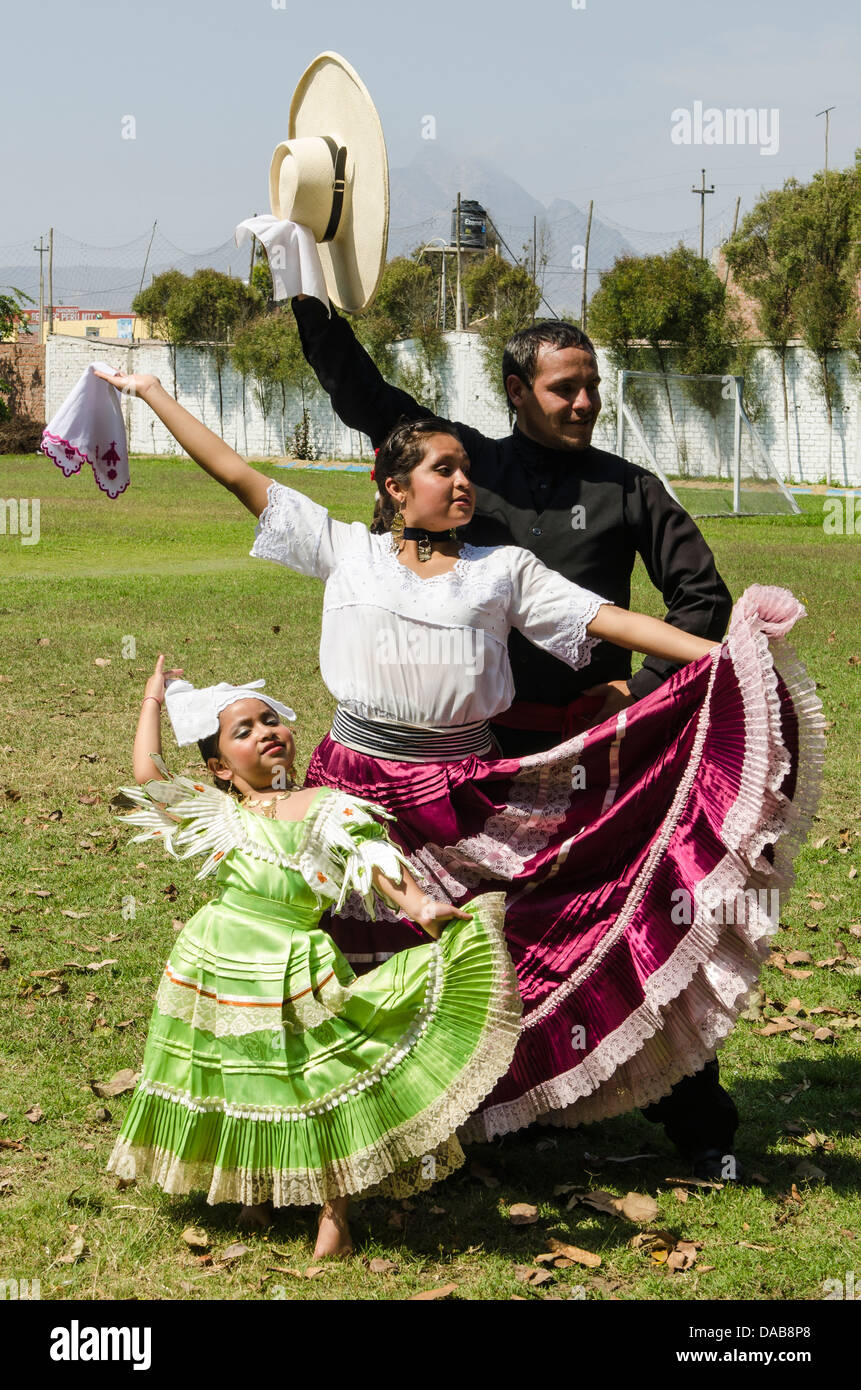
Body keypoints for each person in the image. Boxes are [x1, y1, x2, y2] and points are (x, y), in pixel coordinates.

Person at [94, 369, 823, 1172]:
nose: (463, 482)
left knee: (485, 946)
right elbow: (236, 471)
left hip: (463, 792)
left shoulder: (501, 570)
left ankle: (494, 1110)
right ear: (395, 489)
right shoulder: (345, 551)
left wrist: (725, 658)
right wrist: (152, 390)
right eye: (443, 469)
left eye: (466, 470)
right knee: (349, 956)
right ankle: (348, 1128)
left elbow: (604, 618)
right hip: (348, 786)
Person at [289, 295, 742, 1176]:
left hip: (592, 762)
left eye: (591, 389)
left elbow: (702, 604)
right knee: (472, 933)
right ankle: (499, 1106)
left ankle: (700, 1127)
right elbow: (361, 395)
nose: (583, 403)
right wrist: (309, 295)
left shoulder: (629, 488)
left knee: (622, 919)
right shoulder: (464, 466)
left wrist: (631, 692)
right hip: (476, 763)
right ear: (515, 391)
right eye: (564, 388)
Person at [107, 656, 522, 1257]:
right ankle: (255, 1196)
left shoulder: (329, 806)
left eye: (270, 719)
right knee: (240, 1076)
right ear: (221, 767)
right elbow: (147, 776)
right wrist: (152, 701)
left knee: (317, 1078)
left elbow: (376, 860)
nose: (265, 732)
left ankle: (335, 1216)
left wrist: (423, 907)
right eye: (243, 730)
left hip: (292, 965)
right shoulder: (217, 811)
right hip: (214, 963)